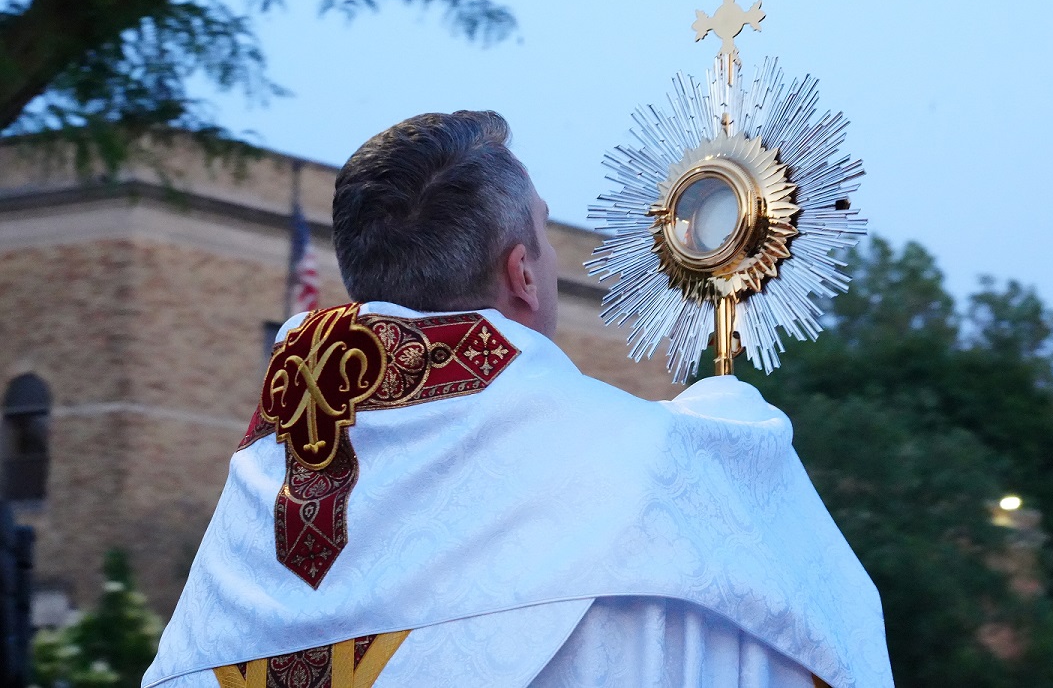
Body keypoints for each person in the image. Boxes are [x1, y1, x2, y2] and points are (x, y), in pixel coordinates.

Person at [144, 112, 894, 688]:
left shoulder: (266, 472)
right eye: (544, 230)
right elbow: (826, 623)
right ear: (523, 275)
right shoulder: (662, 468)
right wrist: (736, 430)